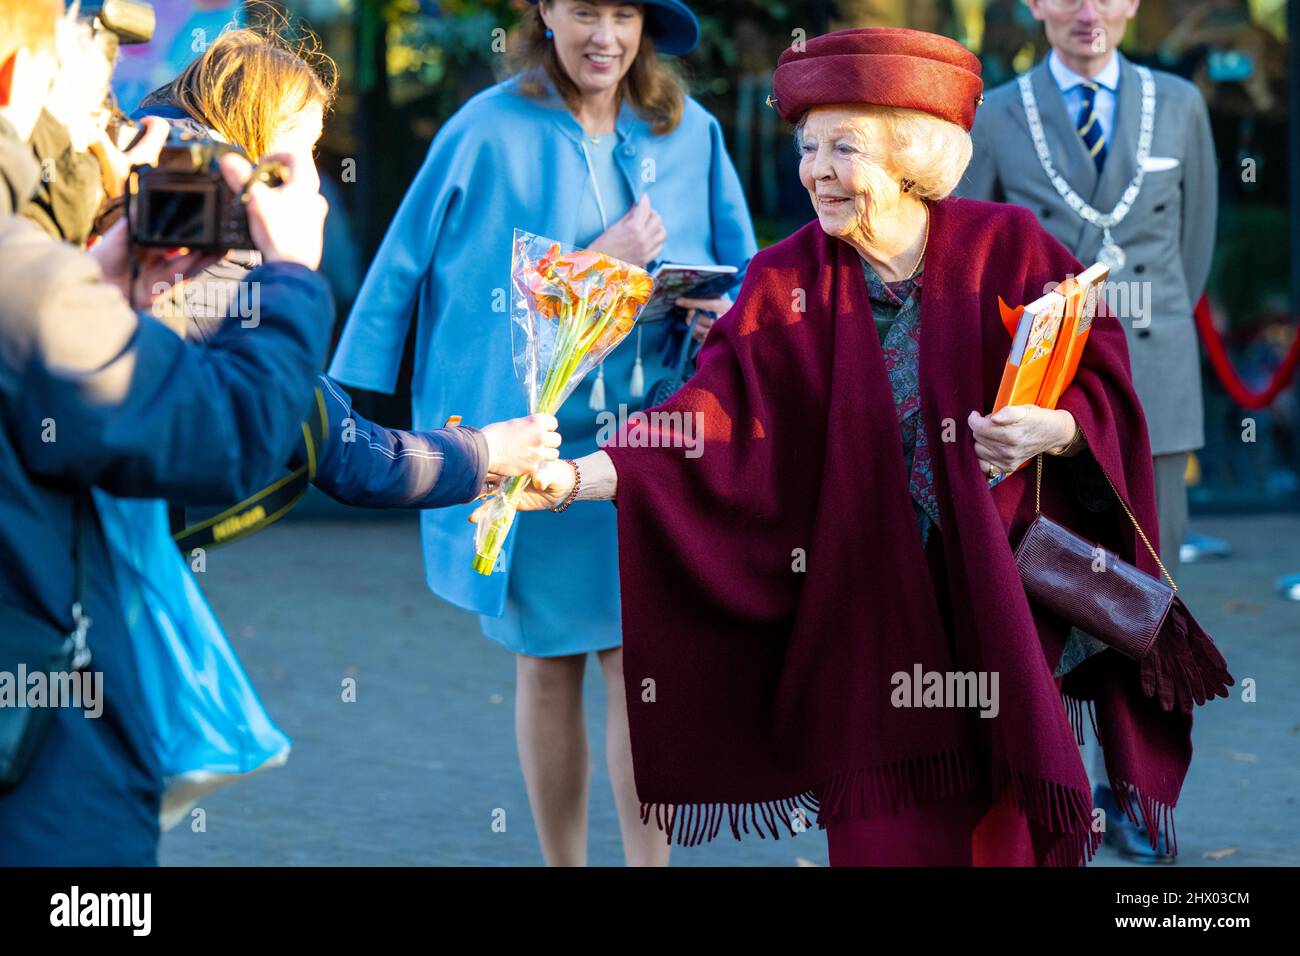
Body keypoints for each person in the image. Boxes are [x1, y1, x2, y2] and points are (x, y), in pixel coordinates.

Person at [475, 27, 1229, 866]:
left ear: (909, 155)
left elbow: (1103, 374)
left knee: (1007, 844)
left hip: (998, 618)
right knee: (881, 842)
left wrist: (1056, 427)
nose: (815, 170)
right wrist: (574, 475)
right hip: (865, 638)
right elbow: (701, 421)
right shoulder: (782, 280)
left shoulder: (1006, 248)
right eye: (807, 147)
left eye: (844, 147)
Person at [329, 0, 756, 866]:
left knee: (644, 672)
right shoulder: (485, 129)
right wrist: (341, 407)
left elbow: (747, 275)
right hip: (538, 443)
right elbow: (414, 268)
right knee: (549, 663)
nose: (605, 35)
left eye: (623, 14)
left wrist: (723, 318)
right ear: (544, 13)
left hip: (650, 446)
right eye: (584, 10)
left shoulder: (693, 130)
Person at [0, 0, 328, 864]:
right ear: (21, 79)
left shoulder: (37, 270)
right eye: (90, 74)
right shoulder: (24, 282)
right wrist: (292, 273)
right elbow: (229, 437)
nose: (111, 109)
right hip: (43, 762)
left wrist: (100, 287)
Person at [958, 0, 1219, 861]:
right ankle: (1059, 788)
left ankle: (1142, 793)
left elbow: (1197, 240)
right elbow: (976, 251)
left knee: (1146, 594)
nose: (1087, 9)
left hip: (1160, 386)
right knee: (1050, 593)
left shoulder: (1180, 102)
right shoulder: (995, 111)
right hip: (1045, 401)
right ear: (1034, 4)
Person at [132, 26, 561, 510]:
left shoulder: (143, 200)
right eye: (304, 149)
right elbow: (353, 455)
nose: (315, 177)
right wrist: (488, 450)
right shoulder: (205, 269)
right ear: (253, 145)